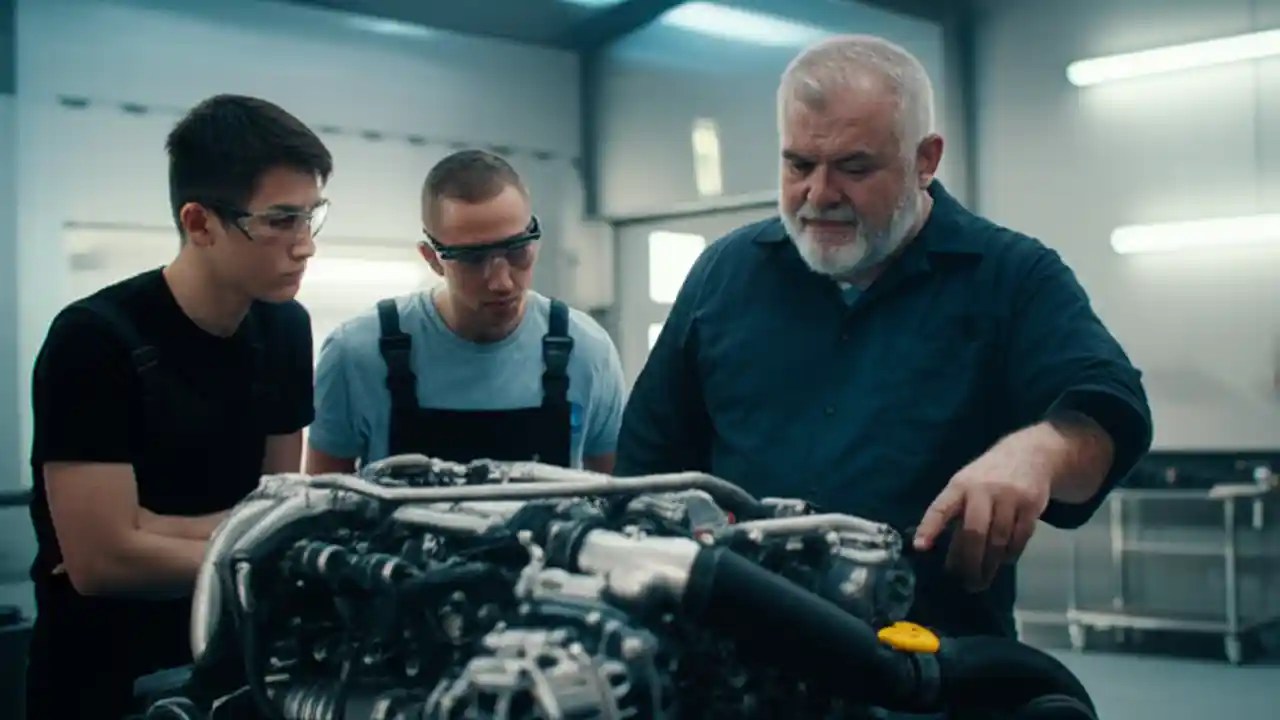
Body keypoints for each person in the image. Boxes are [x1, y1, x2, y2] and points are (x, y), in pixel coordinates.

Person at [616, 35, 1153, 641]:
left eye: (854, 167)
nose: (819, 195)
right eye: (798, 165)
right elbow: (648, 462)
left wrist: (1038, 452)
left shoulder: (1010, 277)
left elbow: (1112, 407)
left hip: (925, 667)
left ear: (926, 159)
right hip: (735, 662)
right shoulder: (724, 274)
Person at [25, 94, 331, 719]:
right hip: (101, 681)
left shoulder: (285, 329)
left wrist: (153, 529)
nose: (304, 246)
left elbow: (274, 508)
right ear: (199, 223)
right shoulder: (94, 340)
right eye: (279, 221)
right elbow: (102, 562)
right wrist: (252, 540)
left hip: (232, 665)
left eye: (311, 217)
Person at [306, 149, 625, 474]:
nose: (501, 282)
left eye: (518, 251)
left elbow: (618, 502)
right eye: (473, 259)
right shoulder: (356, 355)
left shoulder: (587, 352)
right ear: (432, 258)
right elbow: (318, 510)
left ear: (536, 241)